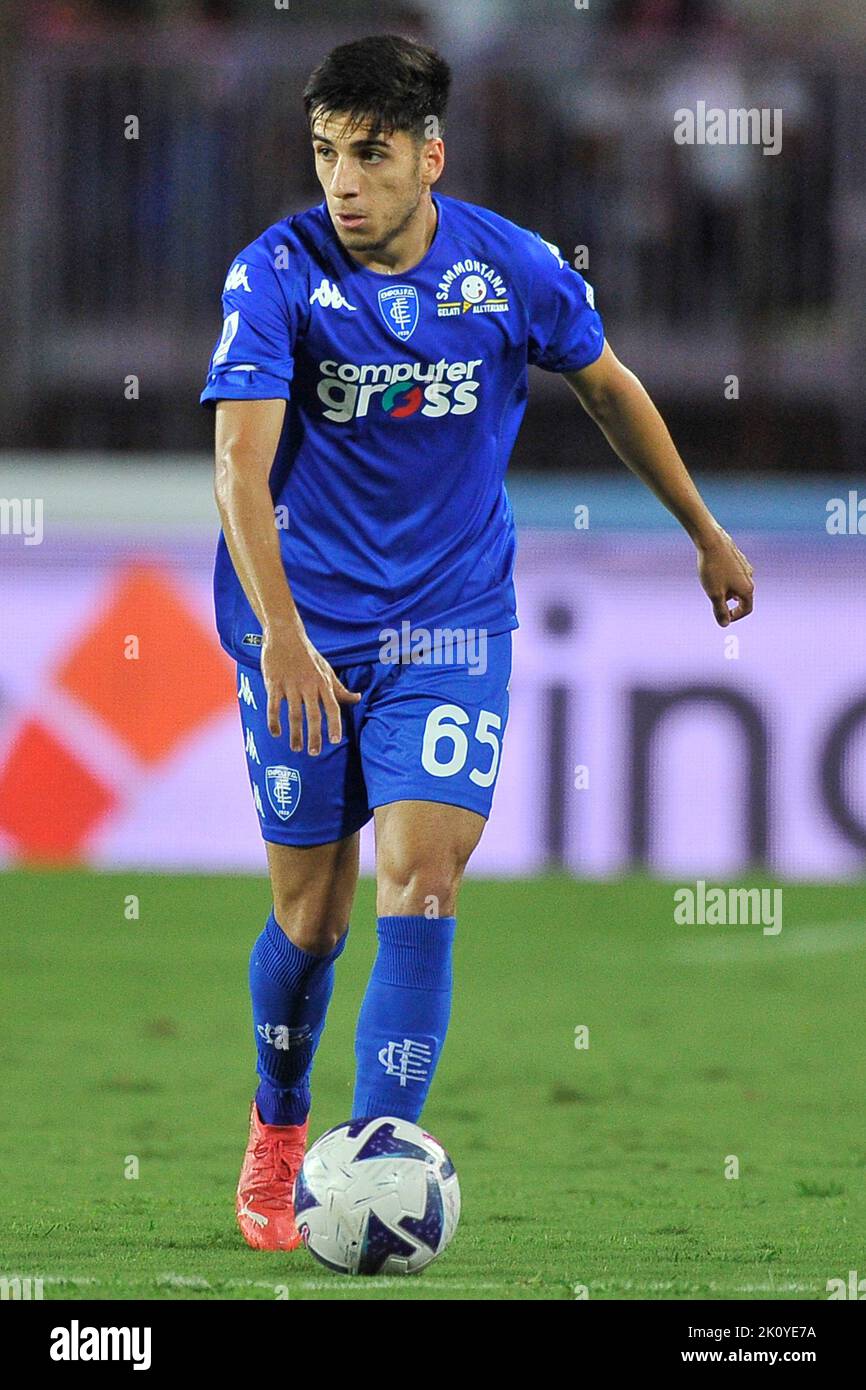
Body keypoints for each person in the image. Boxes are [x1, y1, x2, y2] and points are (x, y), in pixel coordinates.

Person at [200, 32, 754, 1252]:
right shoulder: (275, 276)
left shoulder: (511, 272)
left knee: (424, 877)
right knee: (312, 920)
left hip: (451, 623)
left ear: (428, 158)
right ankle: (280, 1117)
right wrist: (285, 639)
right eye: (324, 154)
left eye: (369, 155)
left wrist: (704, 534)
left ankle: (375, 1165)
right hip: (300, 634)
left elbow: (608, 384)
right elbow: (238, 464)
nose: (342, 183)